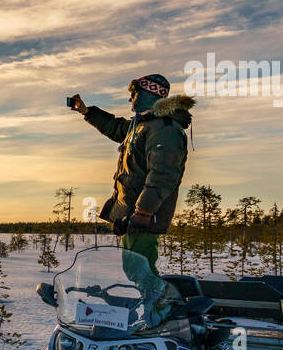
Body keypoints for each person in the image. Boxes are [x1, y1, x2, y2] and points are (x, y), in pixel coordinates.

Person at [69, 75, 194, 277]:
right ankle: (154, 306)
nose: (130, 99)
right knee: (136, 270)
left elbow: (162, 176)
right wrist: (86, 111)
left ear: (147, 95)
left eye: (133, 94)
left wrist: (142, 213)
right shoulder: (145, 125)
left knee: (141, 272)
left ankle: (161, 307)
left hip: (143, 216)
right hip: (133, 214)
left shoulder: (164, 130)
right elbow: (116, 128)